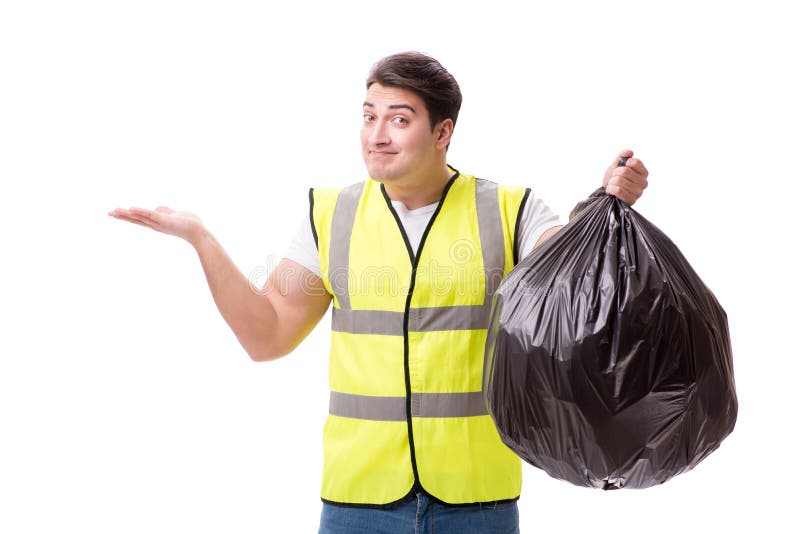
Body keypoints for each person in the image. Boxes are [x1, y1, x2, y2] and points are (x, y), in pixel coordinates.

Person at [109, 51, 649, 534]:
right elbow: (267, 334)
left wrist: (602, 205)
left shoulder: (511, 211)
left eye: (399, 119)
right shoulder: (331, 216)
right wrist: (202, 240)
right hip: (358, 503)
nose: (377, 134)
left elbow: (573, 269)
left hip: (476, 501)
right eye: (368, 116)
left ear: (443, 132)